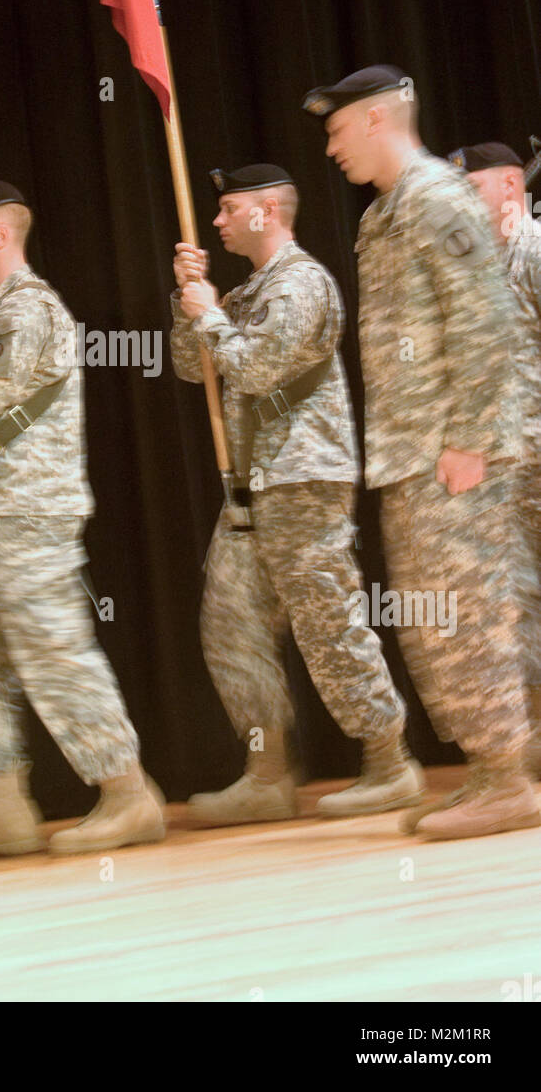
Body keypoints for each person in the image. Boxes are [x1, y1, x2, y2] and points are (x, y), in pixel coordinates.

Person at [303, 66, 540, 840]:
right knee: (438, 622)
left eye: (338, 130)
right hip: (412, 456)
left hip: (451, 456)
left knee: (467, 618)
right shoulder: (385, 215)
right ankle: (496, 767)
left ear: (376, 120)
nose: (332, 148)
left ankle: (506, 779)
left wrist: (470, 439)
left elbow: (489, 322)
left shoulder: (437, 199)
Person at [0, 179, 164, 858]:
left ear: (2, 233)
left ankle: (126, 792)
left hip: (32, 508)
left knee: (52, 651)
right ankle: (1, 805)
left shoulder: (29, 311)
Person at [170, 163, 422, 824]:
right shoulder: (255, 290)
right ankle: (268, 774)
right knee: (231, 623)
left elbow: (254, 367)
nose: (217, 221)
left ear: (267, 211)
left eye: (228, 209)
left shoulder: (303, 283)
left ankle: (390, 765)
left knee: (328, 623)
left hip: (303, 477)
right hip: (254, 485)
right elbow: (191, 366)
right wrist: (190, 300)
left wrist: (214, 319)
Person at [451, 141, 541, 774]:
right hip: (509, 469)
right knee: (519, 602)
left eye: (471, 190)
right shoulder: (483, 267)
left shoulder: (534, 251)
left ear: (511, 185)